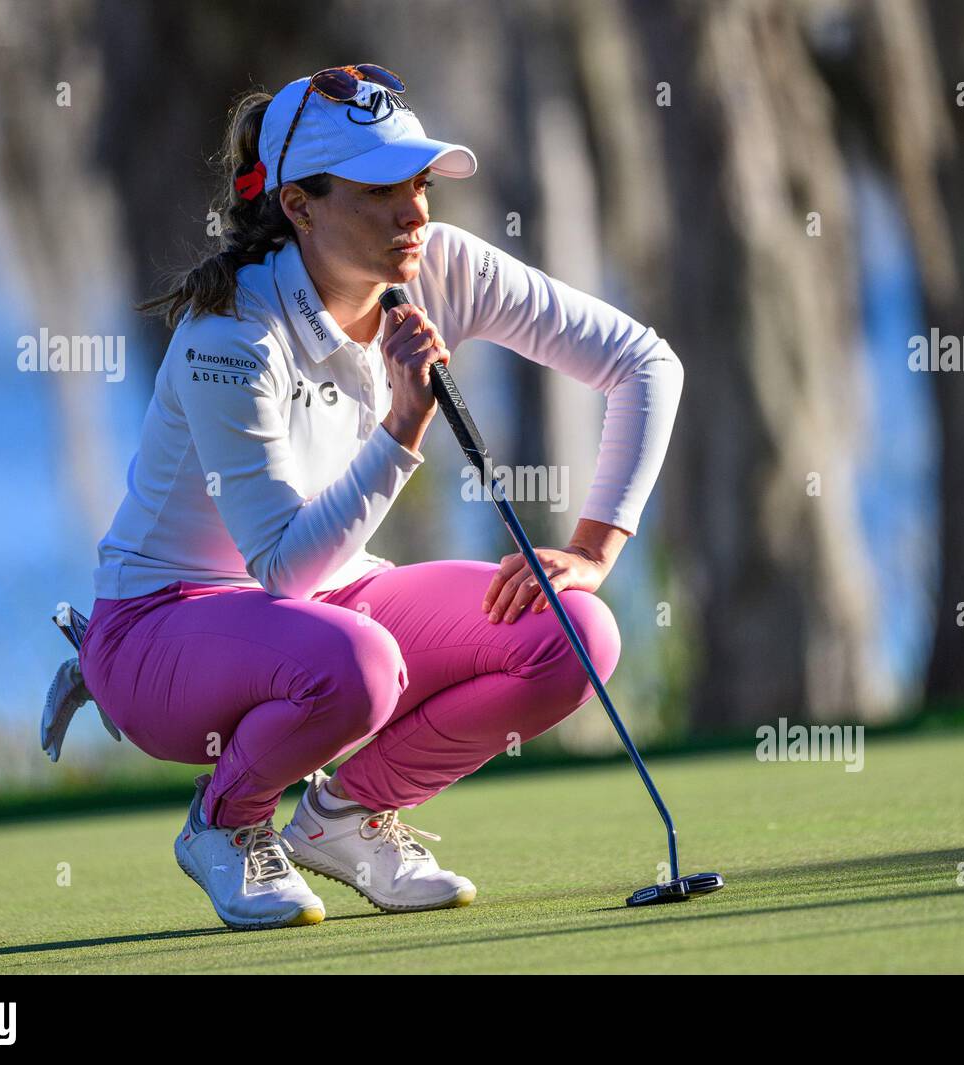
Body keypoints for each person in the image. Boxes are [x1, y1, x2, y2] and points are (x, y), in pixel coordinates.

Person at [76, 64, 684, 931]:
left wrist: (594, 548)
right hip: (158, 631)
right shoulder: (232, 333)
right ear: (300, 204)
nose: (415, 213)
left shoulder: (442, 266)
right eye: (379, 190)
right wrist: (403, 427)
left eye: (420, 184)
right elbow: (282, 569)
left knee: (576, 632)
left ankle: (348, 818)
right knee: (355, 661)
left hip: (333, 602)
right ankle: (226, 821)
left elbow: (645, 364)